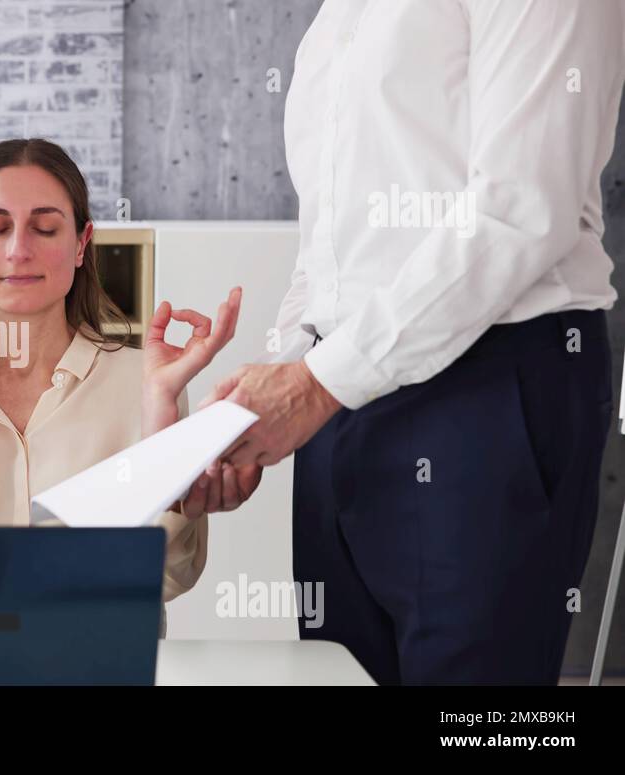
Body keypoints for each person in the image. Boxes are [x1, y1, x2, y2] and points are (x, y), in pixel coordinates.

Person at [204, 0, 624, 684]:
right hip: (340, 401)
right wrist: (272, 392)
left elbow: (521, 209)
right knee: (340, 674)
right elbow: (331, 249)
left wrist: (312, 386)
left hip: (488, 391)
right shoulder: (339, 15)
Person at [0, 139, 260, 633]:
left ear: (83, 242)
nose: (19, 250)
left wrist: (159, 413)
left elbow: (164, 576)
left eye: (45, 228)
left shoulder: (144, 382)